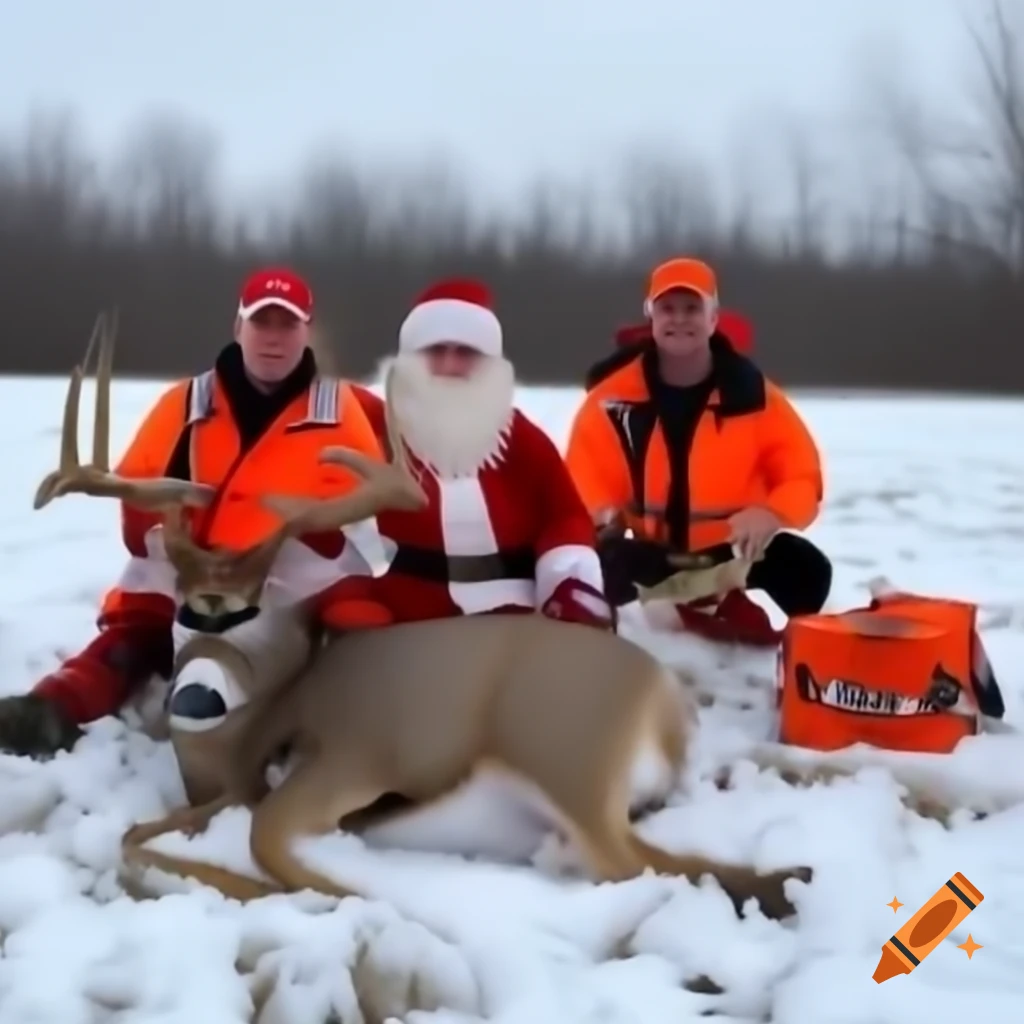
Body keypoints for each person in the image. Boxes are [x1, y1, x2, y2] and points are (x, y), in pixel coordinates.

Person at [0, 266, 389, 757]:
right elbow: (136, 494)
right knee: (140, 627)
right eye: (260, 323)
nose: (272, 338)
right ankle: (51, 706)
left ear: (305, 332)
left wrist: (295, 532)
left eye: (286, 325)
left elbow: (356, 504)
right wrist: (167, 532)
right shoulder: (184, 403)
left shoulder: (338, 409)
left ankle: (329, 727)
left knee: (344, 628)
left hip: (285, 563)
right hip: (192, 558)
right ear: (238, 328)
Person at [564, 256, 832, 646]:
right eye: (667, 309)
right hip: (651, 556)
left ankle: (778, 646)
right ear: (651, 318)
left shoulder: (756, 398)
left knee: (808, 572)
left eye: (692, 308)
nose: (680, 319)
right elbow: (582, 476)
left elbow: (801, 476)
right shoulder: (611, 400)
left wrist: (772, 513)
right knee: (583, 574)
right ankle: (640, 633)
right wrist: (602, 518)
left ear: (713, 318)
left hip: (732, 551)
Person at [346, 277, 614, 629]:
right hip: (405, 624)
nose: (450, 366)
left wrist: (566, 579)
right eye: (435, 350)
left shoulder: (519, 439)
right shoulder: (372, 431)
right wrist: (347, 596)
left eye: (466, 352)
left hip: (514, 618)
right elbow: (332, 527)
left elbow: (564, 515)